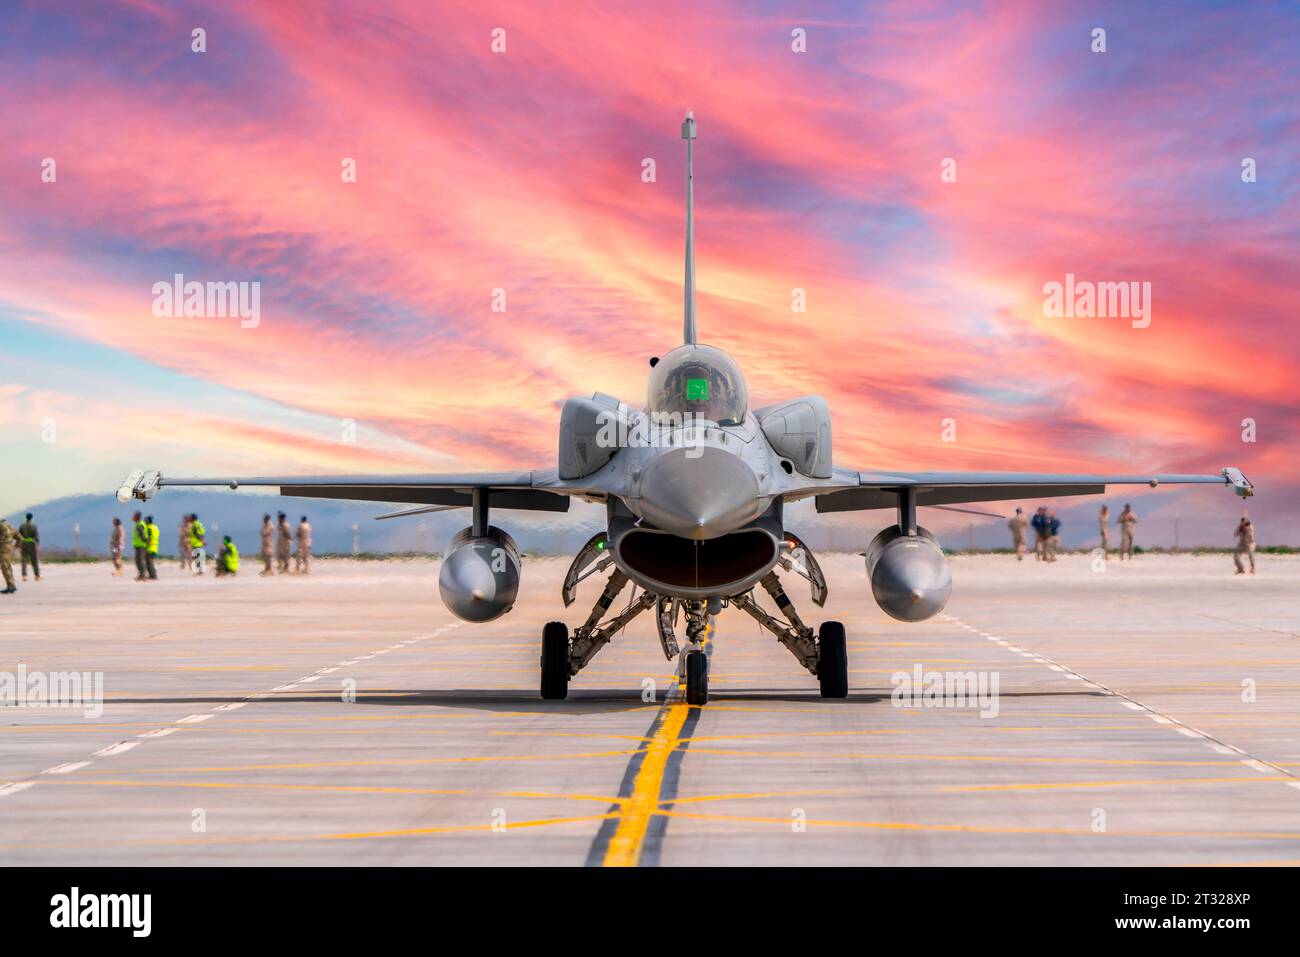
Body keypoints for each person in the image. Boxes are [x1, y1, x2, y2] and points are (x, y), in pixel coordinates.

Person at [18, 512, 40, 582]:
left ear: (26, 517)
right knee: (34, 561)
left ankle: (24, 576)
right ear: (32, 518)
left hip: (24, 543)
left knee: (24, 560)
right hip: (32, 544)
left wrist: (18, 544)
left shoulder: (22, 525)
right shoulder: (34, 526)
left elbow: (19, 535)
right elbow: (36, 537)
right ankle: (37, 576)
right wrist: (38, 544)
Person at [0, 517, 17, 594]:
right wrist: (15, 546)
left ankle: (11, 586)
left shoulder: (1, 526)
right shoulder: (9, 526)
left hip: (3, 548)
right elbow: (19, 536)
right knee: (7, 566)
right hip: (9, 547)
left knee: (5, 566)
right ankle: (11, 585)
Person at [131, 511, 149, 581]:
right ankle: (141, 574)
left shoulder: (140, 525)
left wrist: (146, 541)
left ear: (137, 517)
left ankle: (143, 575)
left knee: (140, 561)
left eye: (133, 516)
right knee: (138, 561)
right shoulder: (138, 524)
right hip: (138, 545)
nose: (132, 517)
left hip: (141, 546)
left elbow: (142, 535)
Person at [145, 514, 160, 580]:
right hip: (155, 546)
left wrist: (146, 546)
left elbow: (149, 538)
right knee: (150, 562)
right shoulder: (155, 527)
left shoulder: (149, 528)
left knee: (149, 563)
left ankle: (153, 576)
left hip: (150, 547)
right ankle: (152, 575)